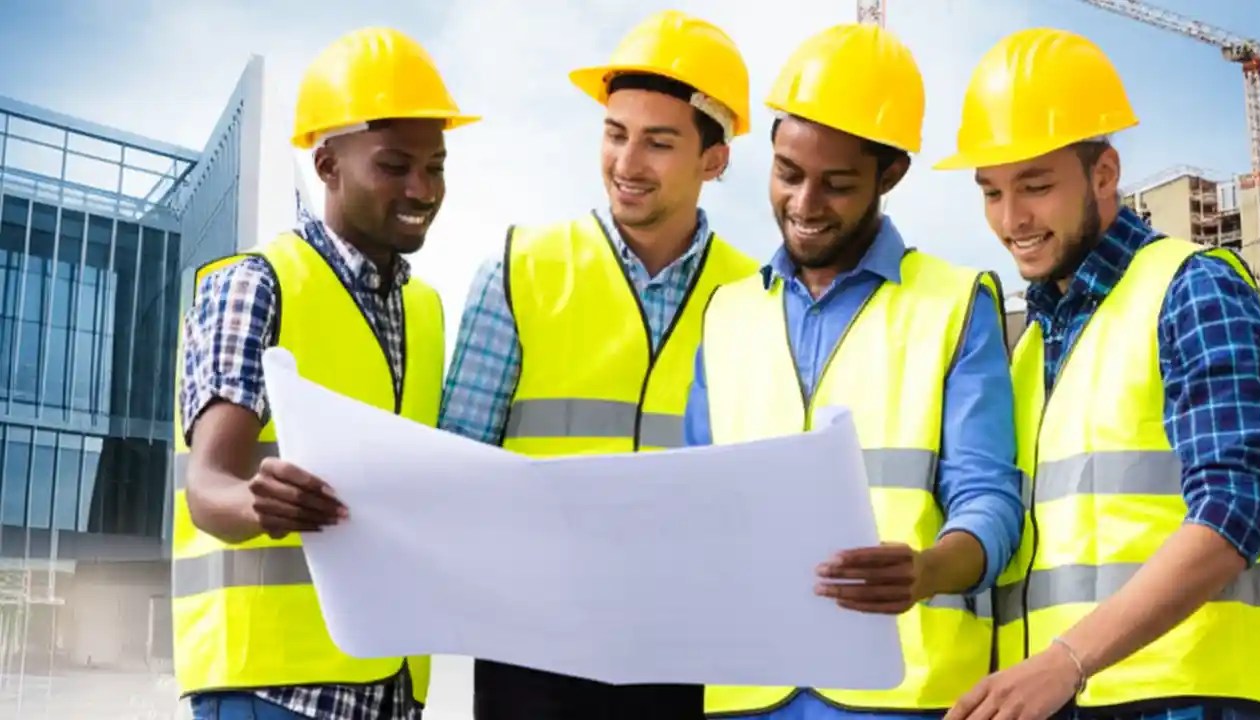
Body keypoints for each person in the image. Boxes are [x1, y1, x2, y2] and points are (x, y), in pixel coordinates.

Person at [935, 27, 1260, 720]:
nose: (1011, 219)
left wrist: (1066, 661)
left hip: (1191, 697)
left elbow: (1239, 505)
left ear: (1104, 174)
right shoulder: (1032, 347)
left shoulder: (1194, 289)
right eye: (991, 192)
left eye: (1035, 186)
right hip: (1066, 699)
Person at [689, 23, 1025, 720]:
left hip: (901, 697)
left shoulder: (955, 303)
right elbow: (692, 504)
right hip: (747, 693)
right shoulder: (725, 315)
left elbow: (992, 504)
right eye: (788, 173)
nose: (804, 205)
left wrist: (927, 571)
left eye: (837, 185)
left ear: (890, 175)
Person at [436, 9, 761, 719]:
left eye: (658, 143)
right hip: (531, 651)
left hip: (685, 654)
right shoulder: (520, 268)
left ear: (714, 159)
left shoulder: (757, 297)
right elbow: (457, 471)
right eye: (615, 134)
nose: (627, 163)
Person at [170, 27, 478, 720]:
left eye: (435, 167)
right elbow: (207, 488)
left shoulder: (426, 311)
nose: (422, 188)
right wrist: (258, 502)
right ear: (328, 165)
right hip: (271, 690)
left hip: (390, 684)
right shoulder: (258, 284)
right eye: (395, 165)